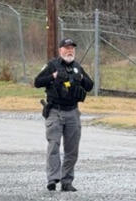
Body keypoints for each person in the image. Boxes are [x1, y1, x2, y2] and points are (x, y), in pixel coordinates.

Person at [34, 38, 94, 192]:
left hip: (73, 112)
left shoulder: (77, 68)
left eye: (72, 49)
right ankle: (53, 178)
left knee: (72, 149)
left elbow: (90, 85)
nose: (70, 51)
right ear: (60, 50)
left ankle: (67, 181)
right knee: (53, 145)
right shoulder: (52, 65)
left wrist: (80, 78)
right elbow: (37, 82)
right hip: (55, 111)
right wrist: (53, 77)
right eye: (66, 48)